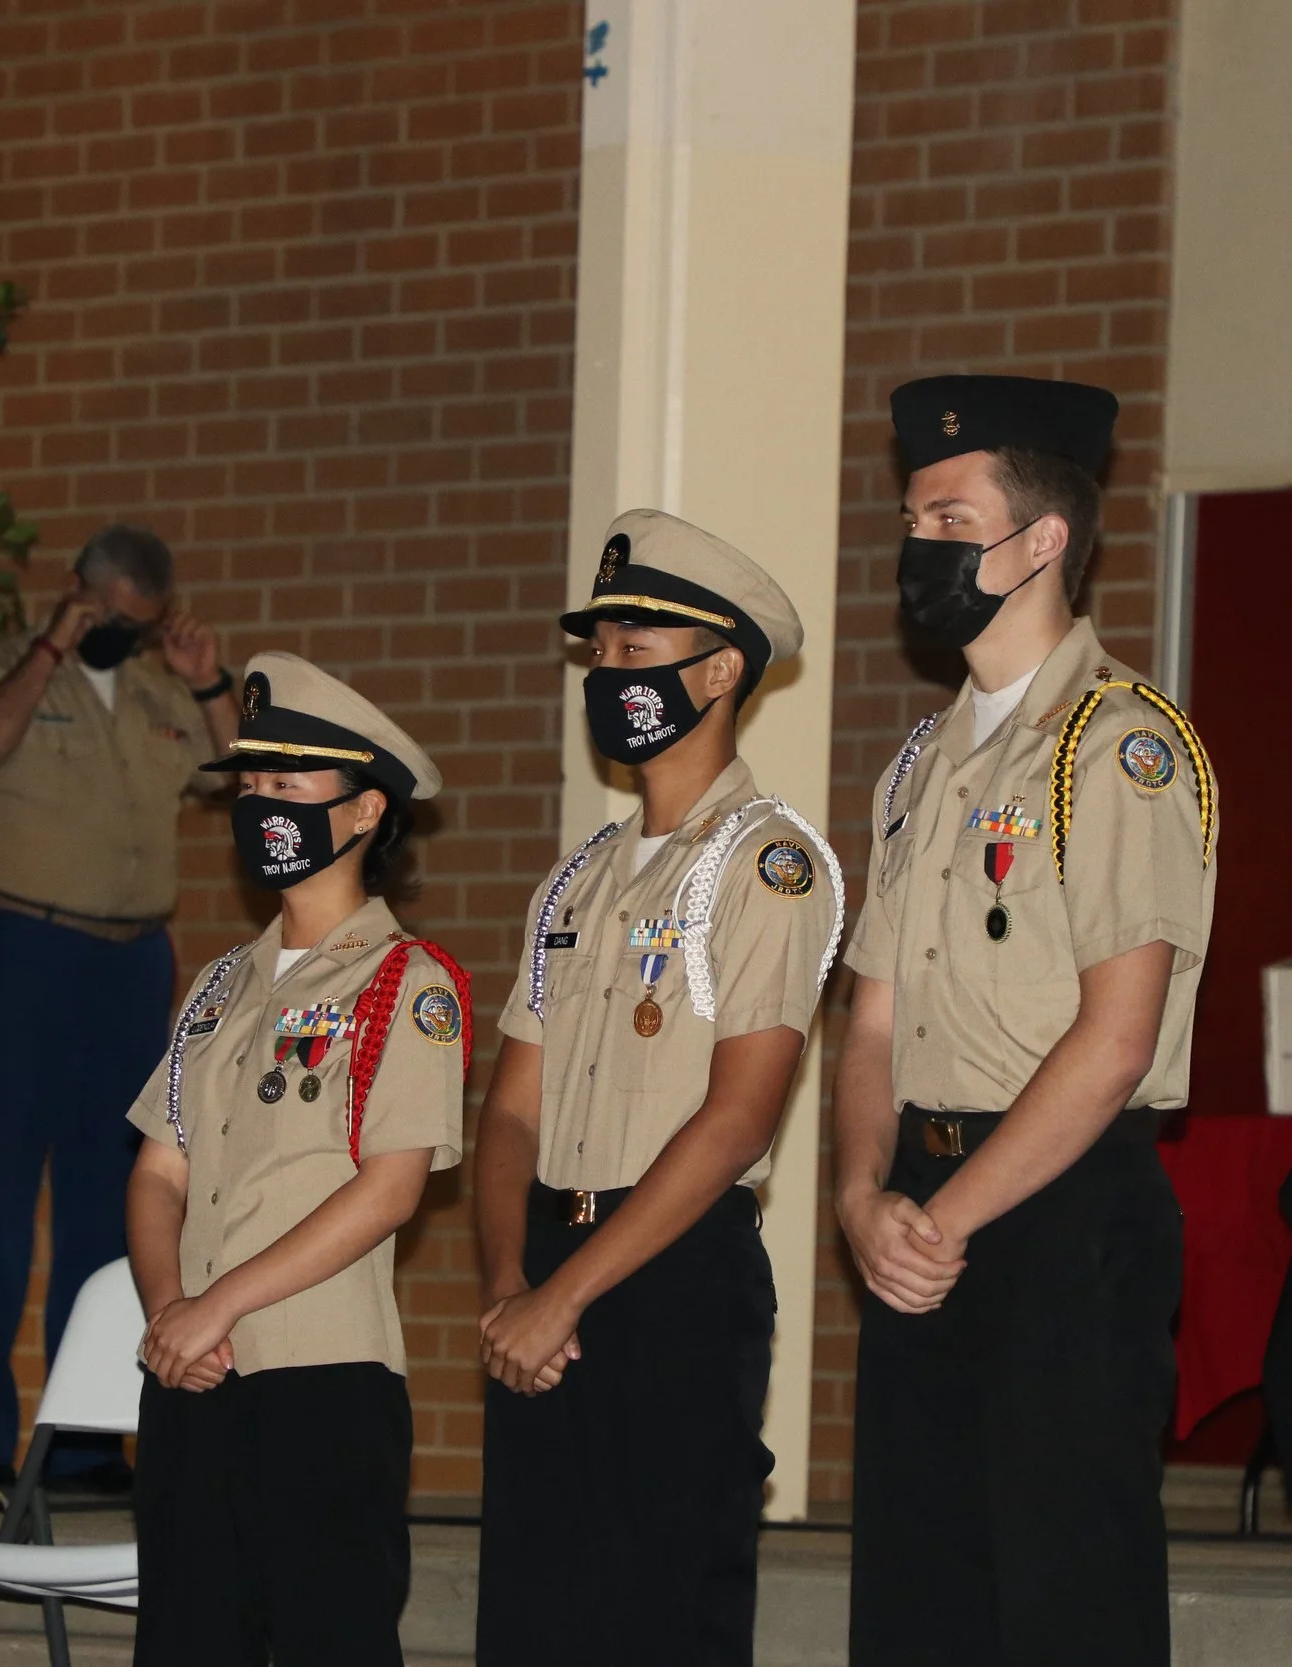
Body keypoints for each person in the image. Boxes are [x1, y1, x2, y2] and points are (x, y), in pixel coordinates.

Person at [836, 375, 1216, 1667]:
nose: (918, 542)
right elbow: (872, 1020)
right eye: (912, 514)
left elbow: (1115, 1038)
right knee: (918, 1585)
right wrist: (858, 1193)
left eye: (951, 515)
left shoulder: (1116, 747)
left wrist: (942, 1217)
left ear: (1041, 540)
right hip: (919, 1210)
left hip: (1058, 1214)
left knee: (1062, 1592)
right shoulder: (921, 763)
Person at [472, 510, 843, 1667]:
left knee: (658, 1613)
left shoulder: (768, 863)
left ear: (719, 667)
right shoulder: (578, 875)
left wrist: (563, 1297)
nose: (607, 676)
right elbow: (511, 1110)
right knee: (536, 1615)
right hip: (541, 1272)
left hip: (668, 1275)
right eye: (598, 654)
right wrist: (506, 1282)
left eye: (635, 653)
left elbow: (737, 1116)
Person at [125, 652, 468, 1666]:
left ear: (364, 812)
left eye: (287, 783)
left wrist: (217, 1304)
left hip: (321, 1381)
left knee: (331, 1639)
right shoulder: (220, 982)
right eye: (250, 783)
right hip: (192, 1376)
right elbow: (157, 1171)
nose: (258, 803)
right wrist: (169, 1316)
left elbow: (391, 1186)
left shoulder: (406, 981)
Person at [0, 523, 239, 1486]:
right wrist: (54, 646)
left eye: (139, 627)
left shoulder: (160, 690)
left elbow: (244, 782)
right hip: (21, 946)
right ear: (79, 593)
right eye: (112, 618)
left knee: (116, 1205)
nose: (126, 636)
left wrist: (205, 678)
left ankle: (80, 1442)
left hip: (131, 963)